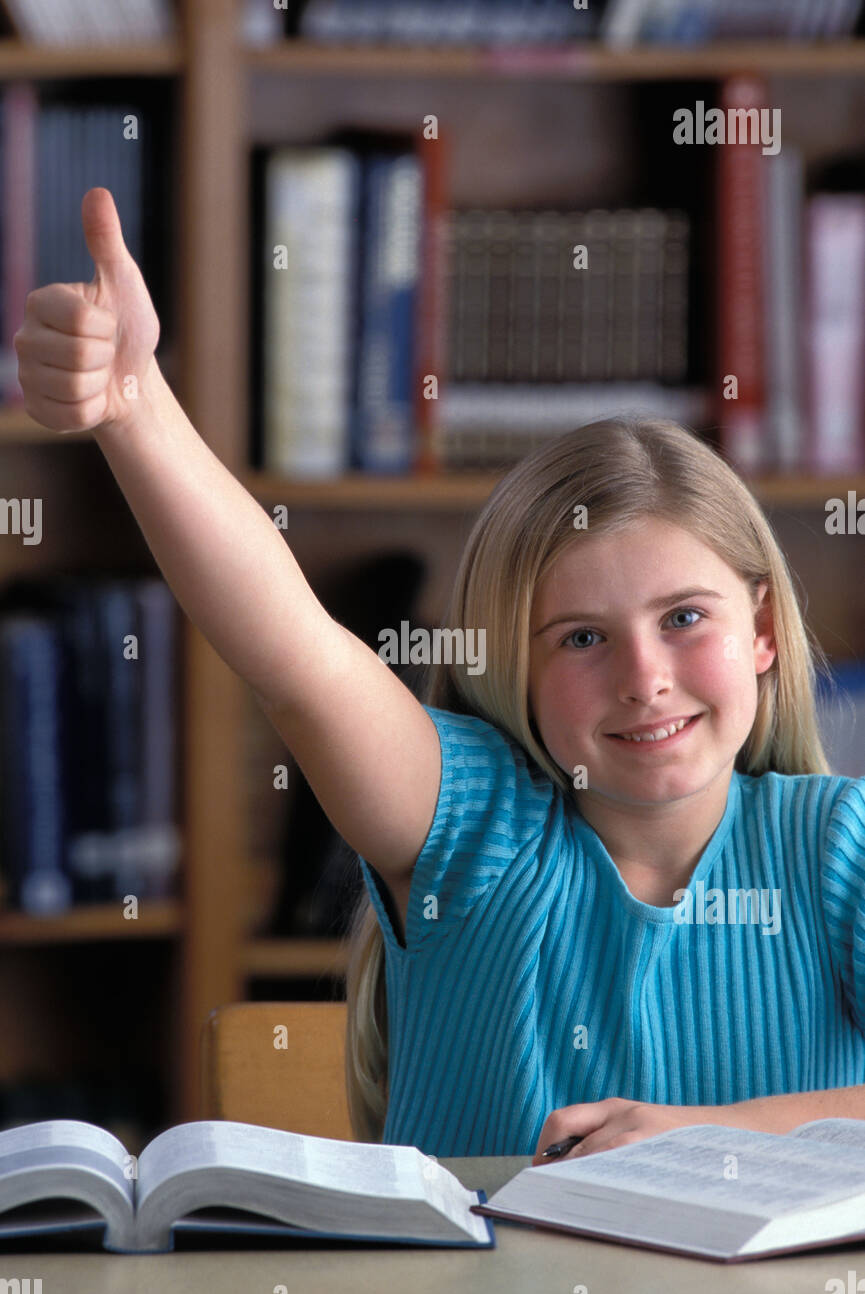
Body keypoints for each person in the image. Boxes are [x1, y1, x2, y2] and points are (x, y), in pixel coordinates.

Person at [14, 188, 865, 1166]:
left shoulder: (832, 844)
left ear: (760, 628)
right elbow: (295, 654)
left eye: (683, 618)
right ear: (516, 669)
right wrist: (135, 410)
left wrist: (698, 1136)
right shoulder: (468, 827)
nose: (644, 677)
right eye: (580, 638)